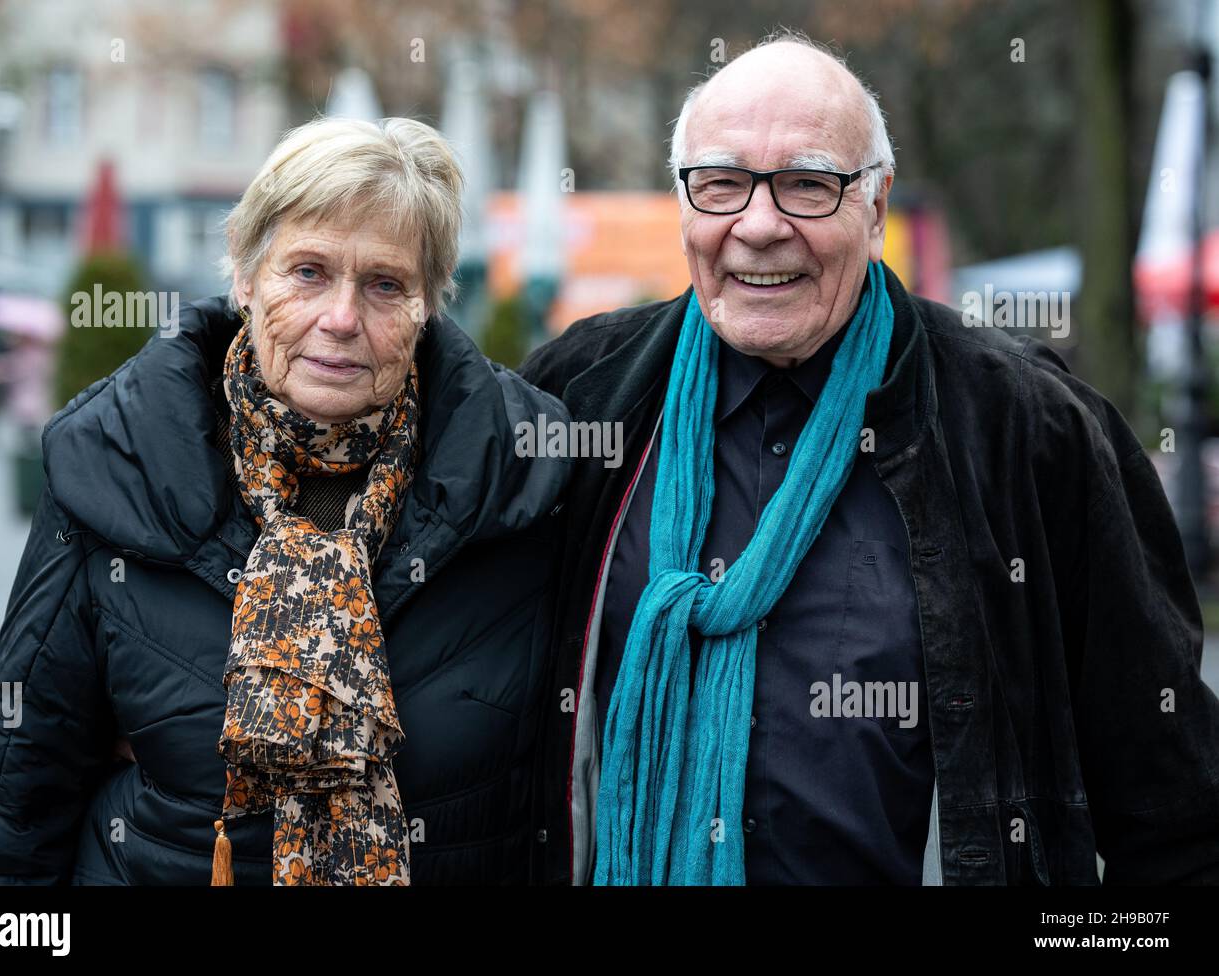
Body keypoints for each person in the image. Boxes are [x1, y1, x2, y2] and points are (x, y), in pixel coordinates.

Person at [519, 30, 1219, 885]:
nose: (760, 225)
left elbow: (1176, 811)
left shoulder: (1027, 430)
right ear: (685, 203)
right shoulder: (583, 394)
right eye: (722, 184)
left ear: (877, 206)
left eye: (809, 185)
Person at [0, 116, 571, 885]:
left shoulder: (523, 479)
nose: (341, 319)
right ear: (244, 278)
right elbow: (17, 803)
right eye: (307, 271)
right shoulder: (118, 461)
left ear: (429, 305)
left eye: (385, 284)